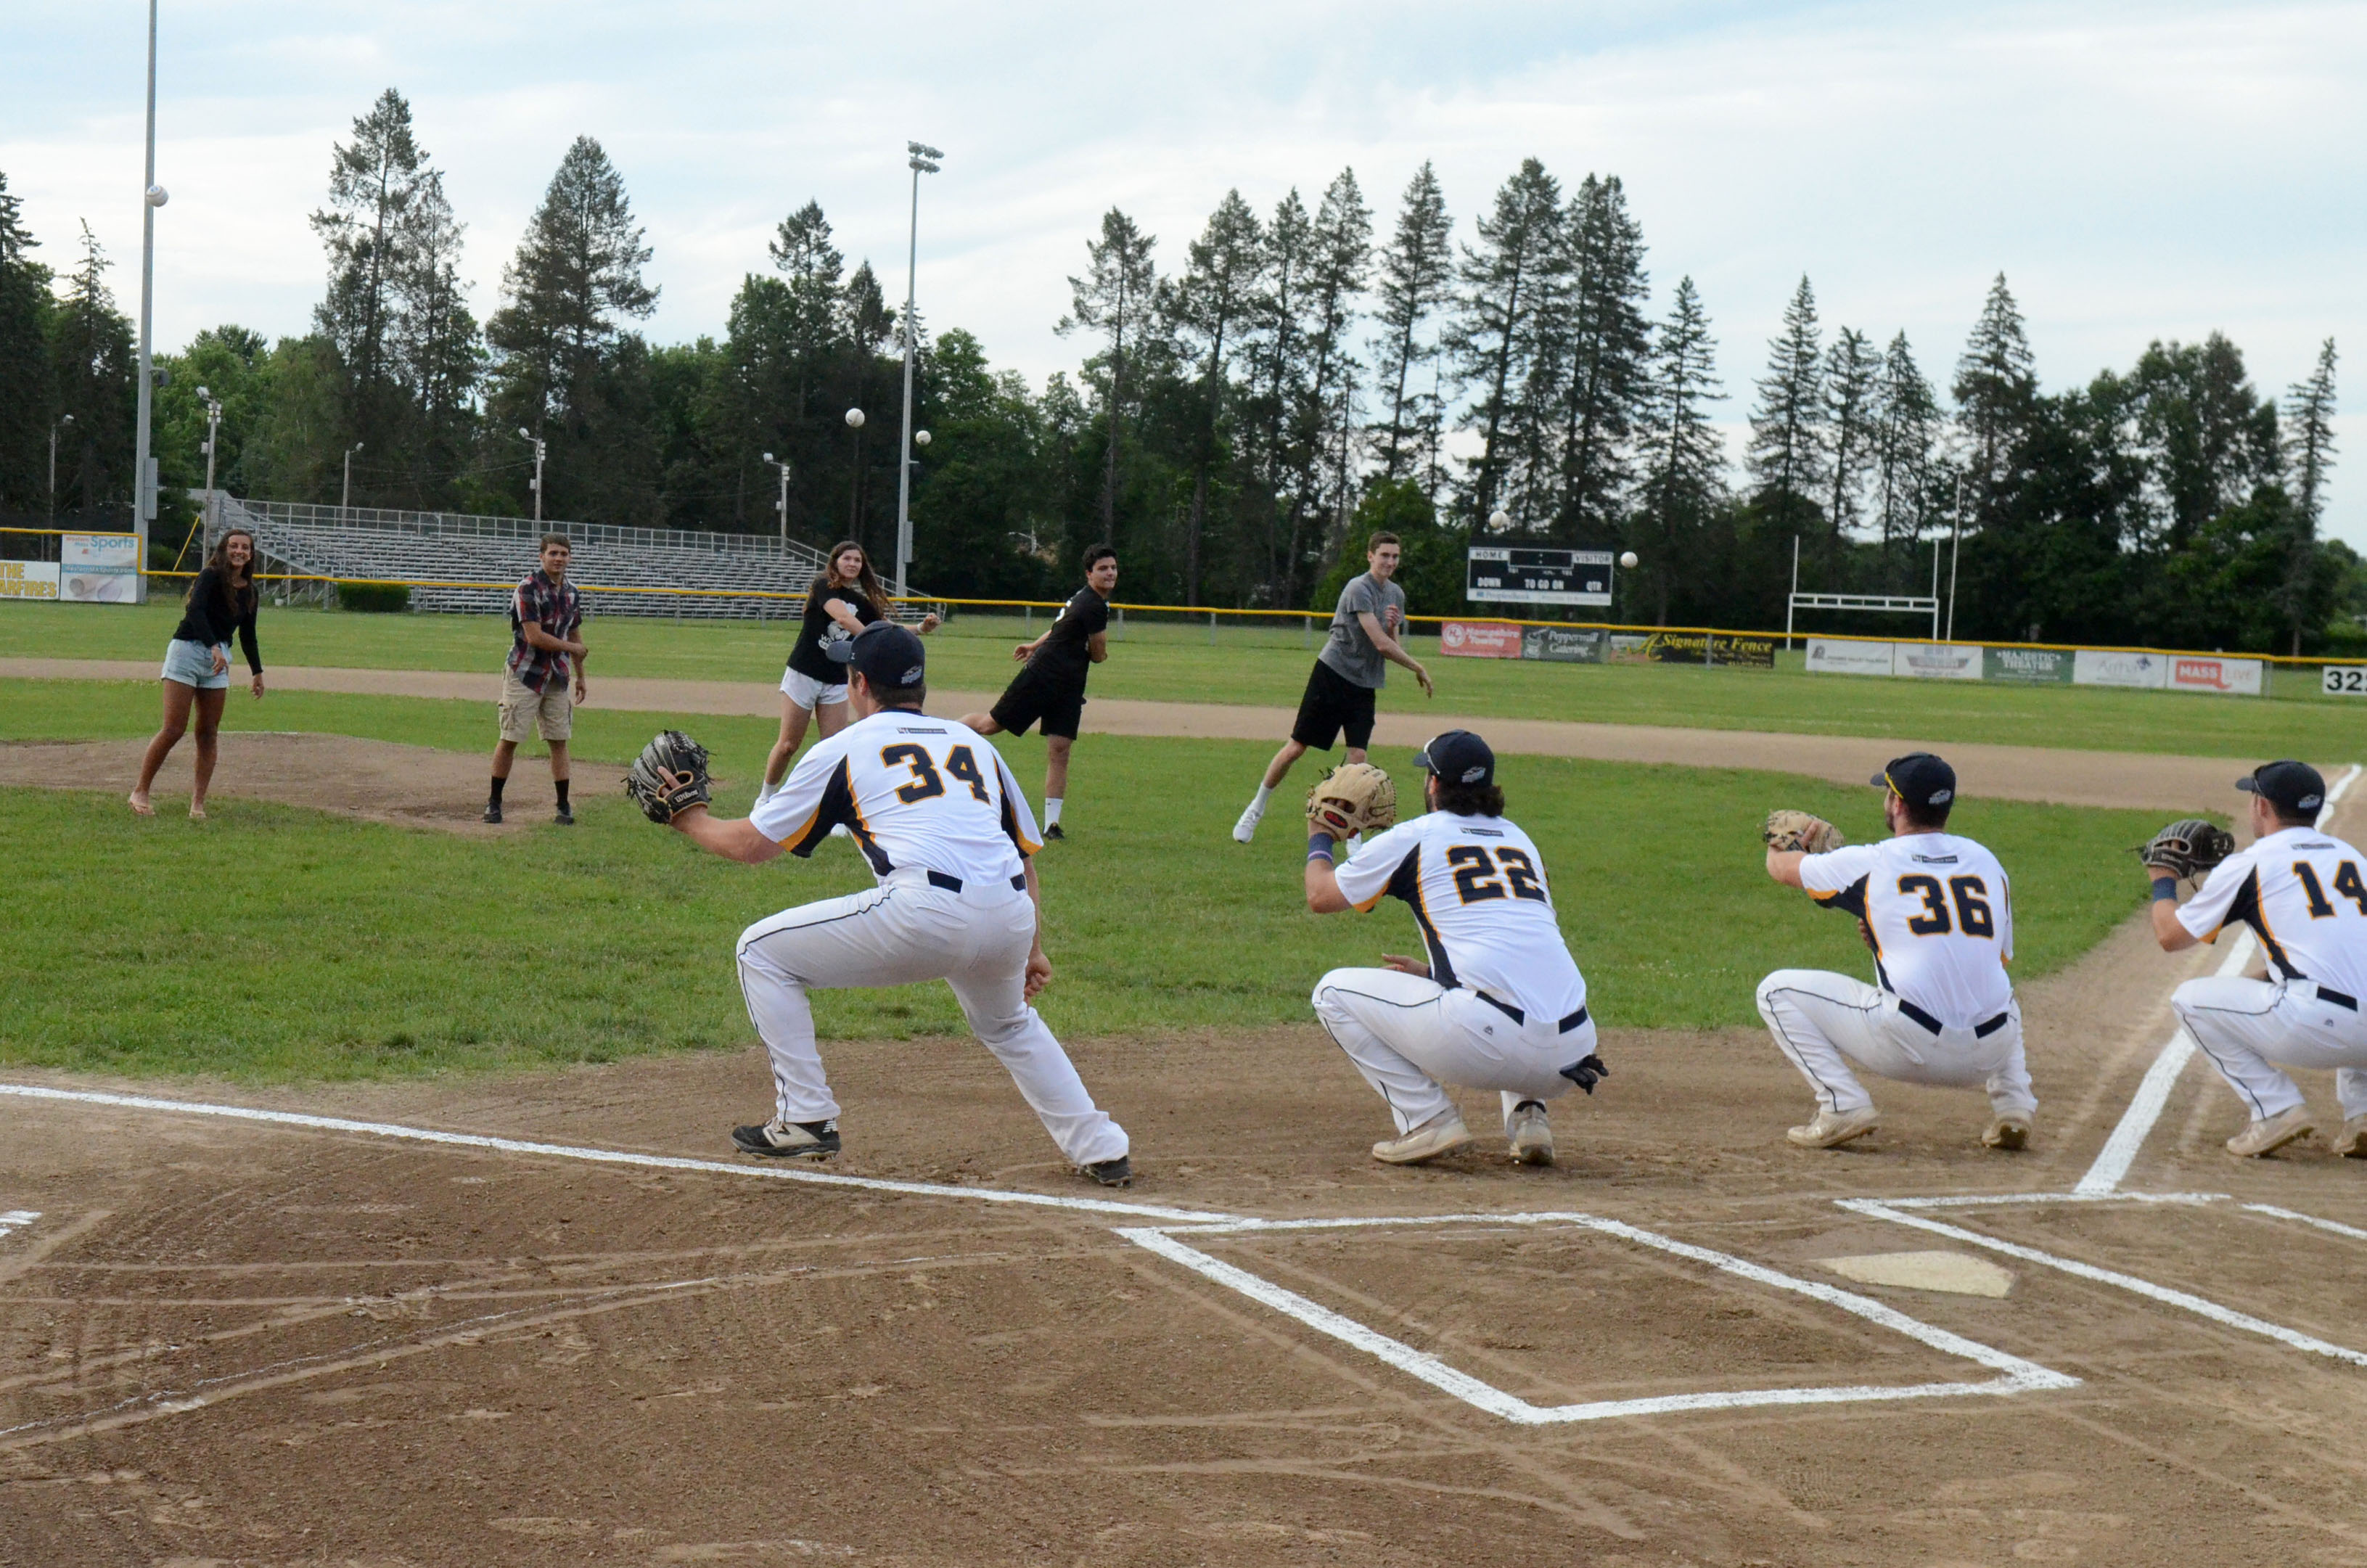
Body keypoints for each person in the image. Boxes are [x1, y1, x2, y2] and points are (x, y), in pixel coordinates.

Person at [663, 620, 1133, 1186]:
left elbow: (751, 847)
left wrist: (687, 818)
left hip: (926, 911)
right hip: (1009, 912)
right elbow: (1022, 856)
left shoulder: (844, 746)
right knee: (1010, 1024)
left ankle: (807, 1117)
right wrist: (1032, 947)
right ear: (921, 687)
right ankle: (1102, 1147)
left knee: (760, 952)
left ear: (859, 683)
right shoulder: (972, 744)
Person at [1303, 731, 1604, 1166]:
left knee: (1331, 993)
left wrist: (1319, 836)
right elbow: (1512, 945)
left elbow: (1321, 896)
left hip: (1487, 1043)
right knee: (1522, 986)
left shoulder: (1418, 835)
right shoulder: (1521, 842)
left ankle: (1426, 1120)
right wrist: (1432, 975)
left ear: (1434, 785)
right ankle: (1529, 1116)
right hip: (1575, 1051)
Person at [1755, 752, 2033, 1151]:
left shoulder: (1872, 861)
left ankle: (1842, 1105)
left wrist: (1783, 840)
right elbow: (1990, 954)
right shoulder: (1987, 861)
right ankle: (2015, 1109)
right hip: (1991, 1050)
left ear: (1898, 805)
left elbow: (1782, 868)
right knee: (1998, 990)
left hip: (1912, 1050)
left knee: (1775, 990)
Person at [2146, 760, 2367, 1159]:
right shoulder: (2353, 858)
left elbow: (2170, 937)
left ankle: (2276, 1109)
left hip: (2319, 1029)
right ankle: (2363, 1116)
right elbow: (2344, 949)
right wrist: (2265, 977)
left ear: (2262, 806)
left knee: (2190, 999)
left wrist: (2162, 879)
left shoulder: (2252, 863)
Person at [1234, 533, 1432, 844]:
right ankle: (1255, 809)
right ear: (1370, 556)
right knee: (1296, 748)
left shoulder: (1395, 594)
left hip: (1364, 685)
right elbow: (1379, 645)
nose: (1390, 562)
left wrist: (1394, 625)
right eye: (1384, 555)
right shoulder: (1358, 588)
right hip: (1332, 675)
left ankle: (1352, 834)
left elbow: (1390, 641)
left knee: (1357, 757)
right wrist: (1418, 666)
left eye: (1395, 556)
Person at [761, 541, 938, 805]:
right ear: (835, 562)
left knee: (835, 749)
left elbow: (887, 628)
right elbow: (843, 618)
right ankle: (766, 797)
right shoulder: (823, 586)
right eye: (847, 559)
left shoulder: (861, 603)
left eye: (858, 560)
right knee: (788, 746)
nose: (853, 564)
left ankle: (833, 809)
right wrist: (874, 639)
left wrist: (921, 628)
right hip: (804, 674)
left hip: (836, 681)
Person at [960, 544, 1117, 840]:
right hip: (1042, 677)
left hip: (1069, 687)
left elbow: (1060, 626)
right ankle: (939, 736)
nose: (1110, 573)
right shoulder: (1092, 604)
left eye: (1113, 568)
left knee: (1060, 750)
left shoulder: (1089, 601)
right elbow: (1098, 653)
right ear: (1089, 574)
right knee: (989, 725)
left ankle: (1051, 825)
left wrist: (1034, 644)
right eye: (1103, 569)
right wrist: (1099, 655)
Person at [129, 527, 266, 821]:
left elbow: (248, 635)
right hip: (188, 651)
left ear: (251, 554)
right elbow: (196, 611)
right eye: (234, 546)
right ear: (224, 549)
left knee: (208, 732)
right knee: (174, 728)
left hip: (218, 661)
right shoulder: (211, 576)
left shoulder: (250, 592)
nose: (239, 551)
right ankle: (140, 790)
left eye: (245, 547)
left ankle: (198, 803)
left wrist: (257, 672)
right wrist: (213, 646)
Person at [485, 533, 588, 826]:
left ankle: (563, 806)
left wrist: (581, 676)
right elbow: (534, 636)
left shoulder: (571, 592)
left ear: (570, 558)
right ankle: (494, 802)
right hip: (525, 673)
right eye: (553, 553)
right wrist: (573, 650)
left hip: (557, 676)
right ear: (541, 556)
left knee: (559, 740)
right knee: (511, 738)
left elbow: (574, 633)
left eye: (564, 554)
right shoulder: (528, 588)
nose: (559, 558)